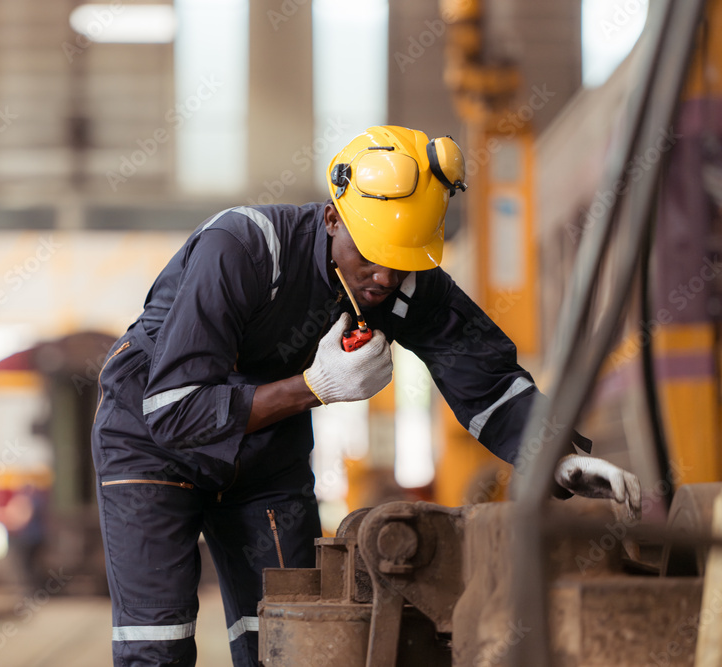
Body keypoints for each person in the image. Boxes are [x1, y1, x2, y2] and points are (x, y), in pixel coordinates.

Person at [91, 125, 641, 667]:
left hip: (262, 456)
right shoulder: (240, 248)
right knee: (155, 647)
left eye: (402, 260)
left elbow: (488, 380)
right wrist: (313, 387)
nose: (382, 276)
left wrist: (558, 456)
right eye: (370, 254)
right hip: (150, 442)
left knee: (287, 638)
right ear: (332, 217)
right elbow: (176, 411)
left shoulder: (403, 279)